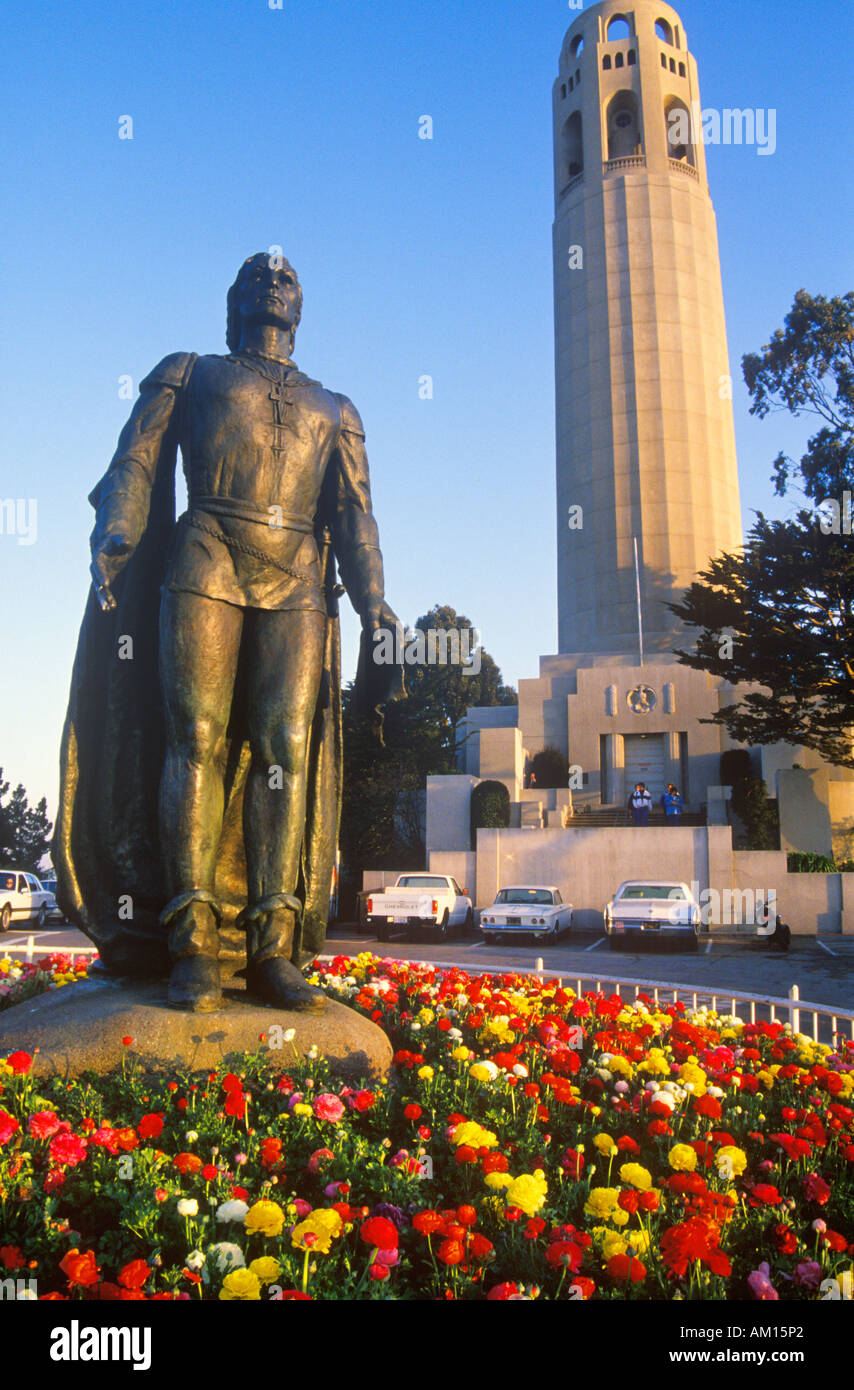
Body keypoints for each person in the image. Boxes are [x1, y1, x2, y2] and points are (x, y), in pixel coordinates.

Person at [55, 252, 403, 1012]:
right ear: (235, 300)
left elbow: (354, 515)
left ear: (301, 305)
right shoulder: (191, 372)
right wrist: (117, 528)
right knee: (198, 738)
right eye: (257, 275)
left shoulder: (336, 408)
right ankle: (191, 945)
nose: (273, 282)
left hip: (298, 579)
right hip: (207, 555)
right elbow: (136, 462)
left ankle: (273, 949)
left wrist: (374, 596)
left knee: (285, 749)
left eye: (286, 278)